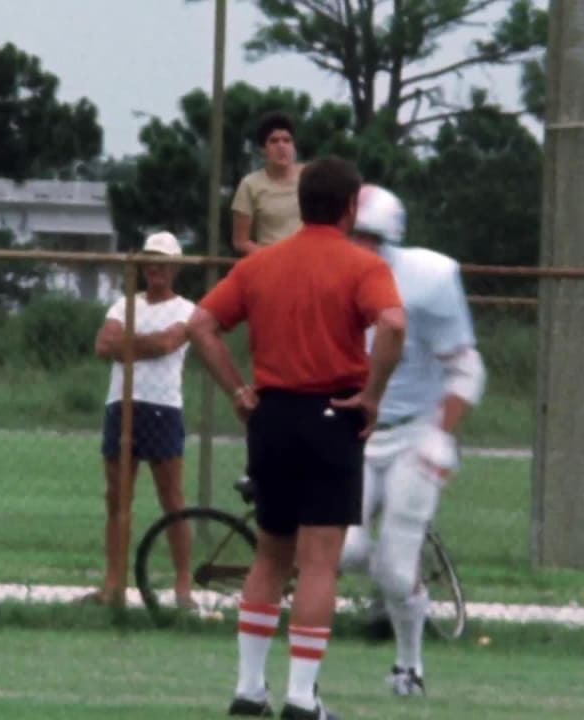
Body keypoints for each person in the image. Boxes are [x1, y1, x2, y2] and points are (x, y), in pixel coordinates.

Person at [187, 157, 407, 720]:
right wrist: (373, 394)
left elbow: (202, 325)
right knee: (318, 563)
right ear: (351, 206)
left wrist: (239, 392)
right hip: (333, 414)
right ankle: (302, 698)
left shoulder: (263, 264)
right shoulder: (362, 265)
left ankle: (248, 688)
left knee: (269, 553)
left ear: (300, 202)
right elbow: (393, 324)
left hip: (272, 415)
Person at [338, 185, 486, 698]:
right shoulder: (324, 274)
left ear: (390, 239)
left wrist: (441, 435)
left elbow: (467, 370)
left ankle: (410, 666)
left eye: (369, 237)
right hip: (350, 431)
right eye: (351, 233)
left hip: (412, 433)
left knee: (396, 571)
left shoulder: (427, 279)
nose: (359, 245)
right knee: (343, 548)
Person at [93, 232, 197, 609]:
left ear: (175, 268)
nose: (156, 268)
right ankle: (113, 584)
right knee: (117, 498)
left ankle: (184, 586)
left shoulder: (187, 309)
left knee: (173, 499)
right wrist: (141, 345)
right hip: (121, 404)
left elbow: (171, 343)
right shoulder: (124, 305)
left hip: (162, 407)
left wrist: (129, 345)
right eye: (149, 260)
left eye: (163, 261)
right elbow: (104, 346)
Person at [231, 112, 304, 255]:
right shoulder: (250, 185)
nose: (281, 146)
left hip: (308, 263)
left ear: (294, 146)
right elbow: (241, 241)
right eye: (274, 141)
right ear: (263, 149)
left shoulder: (310, 177)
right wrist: (272, 258)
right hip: (270, 263)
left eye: (287, 140)